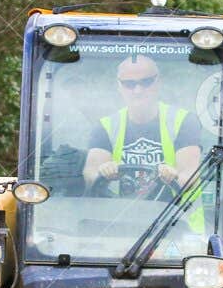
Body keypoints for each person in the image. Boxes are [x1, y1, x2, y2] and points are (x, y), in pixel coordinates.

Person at [82, 54, 201, 199]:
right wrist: (103, 171)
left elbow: (190, 173)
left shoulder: (184, 121)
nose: (138, 90)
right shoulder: (105, 125)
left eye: (146, 82)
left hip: (174, 219)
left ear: (158, 82)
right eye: (129, 84)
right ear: (119, 86)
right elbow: (90, 174)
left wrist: (174, 177)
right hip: (118, 218)